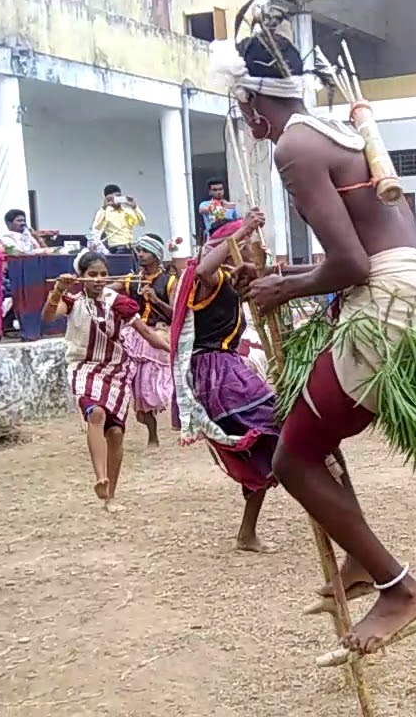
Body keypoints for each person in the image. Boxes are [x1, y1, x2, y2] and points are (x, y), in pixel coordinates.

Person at [214, 31, 416, 654]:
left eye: (242, 110)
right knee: (310, 427)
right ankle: (360, 562)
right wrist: (278, 279)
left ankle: (399, 588)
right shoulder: (335, 132)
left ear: (255, 101)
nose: (246, 124)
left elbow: (351, 264)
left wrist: (283, 293)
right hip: (411, 280)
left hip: (387, 293)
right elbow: (361, 250)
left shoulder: (294, 145)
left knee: (291, 459)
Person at [171, 211, 286, 552]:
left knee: (263, 453)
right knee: (279, 424)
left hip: (230, 367)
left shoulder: (233, 281)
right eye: (247, 245)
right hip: (215, 372)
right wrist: (242, 231)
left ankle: (246, 534)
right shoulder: (207, 277)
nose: (252, 250)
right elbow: (205, 268)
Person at [42, 250, 171, 511]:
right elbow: (47, 316)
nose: (99, 280)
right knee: (96, 414)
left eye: (102, 274)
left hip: (117, 371)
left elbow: (146, 333)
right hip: (84, 368)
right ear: (81, 277)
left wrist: (175, 352)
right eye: (92, 275)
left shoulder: (118, 303)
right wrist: (57, 290)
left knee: (115, 432)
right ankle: (100, 477)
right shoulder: (72, 301)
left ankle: (111, 495)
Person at [117, 233, 177, 447]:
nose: (140, 255)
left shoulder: (170, 282)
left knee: (149, 389)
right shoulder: (130, 280)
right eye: (139, 251)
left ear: (156, 255)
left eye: (145, 251)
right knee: (132, 389)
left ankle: (154, 434)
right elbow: (105, 292)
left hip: (158, 336)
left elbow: (176, 314)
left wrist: (155, 300)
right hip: (132, 336)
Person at [92, 184, 146, 254]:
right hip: (116, 249)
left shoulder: (127, 211)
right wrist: (106, 252)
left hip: (131, 248)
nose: (117, 199)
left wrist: (135, 207)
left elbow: (142, 223)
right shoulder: (104, 212)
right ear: (107, 198)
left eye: (119, 196)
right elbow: (96, 230)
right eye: (113, 197)